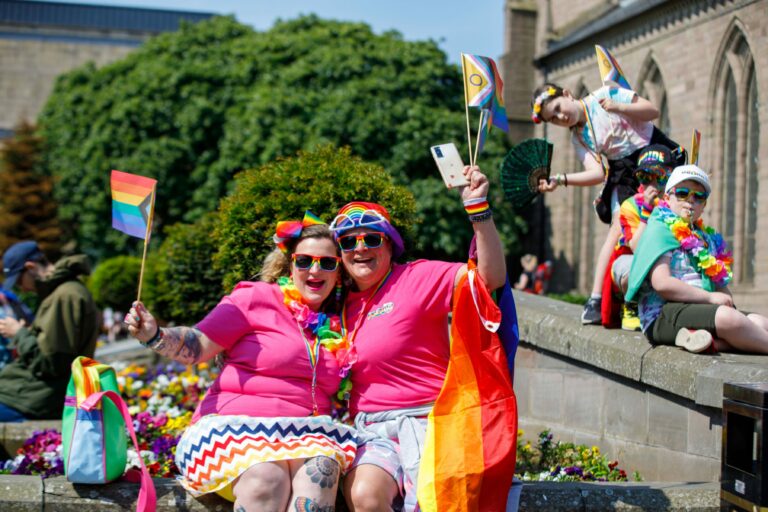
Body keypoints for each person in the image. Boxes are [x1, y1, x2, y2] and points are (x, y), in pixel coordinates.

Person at [125, 214, 357, 511]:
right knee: (267, 477)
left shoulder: (340, 324)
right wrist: (155, 335)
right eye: (304, 260)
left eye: (327, 262)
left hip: (307, 435)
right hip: (236, 430)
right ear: (289, 265)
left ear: (339, 272)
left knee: (321, 472)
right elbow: (198, 345)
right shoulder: (255, 298)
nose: (314, 269)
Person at [331, 165, 509, 511]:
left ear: (390, 244)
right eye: (349, 242)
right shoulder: (334, 302)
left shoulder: (418, 277)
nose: (360, 248)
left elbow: (490, 279)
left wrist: (479, 211)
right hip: (369, 430)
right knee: (364, 497)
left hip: (431, 422)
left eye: (372, 238)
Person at [531, 83, 685, 325]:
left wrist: (619, 106)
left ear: (568, 95)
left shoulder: (605, 95)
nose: (561, 117)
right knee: (618, 229)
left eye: (559, 109)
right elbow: (596, 174)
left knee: (676, 217)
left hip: (653, 154)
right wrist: (559, 179)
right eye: (554, 119)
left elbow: (652, 111)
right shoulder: (579, 138)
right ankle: (598, 298)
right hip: (623, 171)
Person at [625, 165, 768, 354]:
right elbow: (662, 284)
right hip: (662, 315)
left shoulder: (704, 237)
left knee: (760, 322)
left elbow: (718, 284)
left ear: (704, 205)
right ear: (667, 197)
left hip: (698, 310)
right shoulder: (661, 228)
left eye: (698, 197)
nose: (690, 201)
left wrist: (727, 301)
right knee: (730, 320)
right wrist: (710, 298)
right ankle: (716, 338)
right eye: (682, 193)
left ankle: (704, 340)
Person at [0, 241, 100, 421]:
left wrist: (18, 333)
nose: (22, 288)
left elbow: (51, 363)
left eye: (18, 281)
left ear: (30, 267)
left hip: (36, 398)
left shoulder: (64, 296)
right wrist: (29, 333)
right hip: (30, 393)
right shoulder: (62, 292)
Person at [602, 144, 675, 330]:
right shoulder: (630, 205)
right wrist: (647, 211)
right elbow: (636, 247)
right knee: (630, 267)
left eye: (658, 177)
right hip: (633, 260)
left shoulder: (678, 203)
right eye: (644, 177)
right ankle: (631, 306)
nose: (651, 184)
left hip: (669, 262)